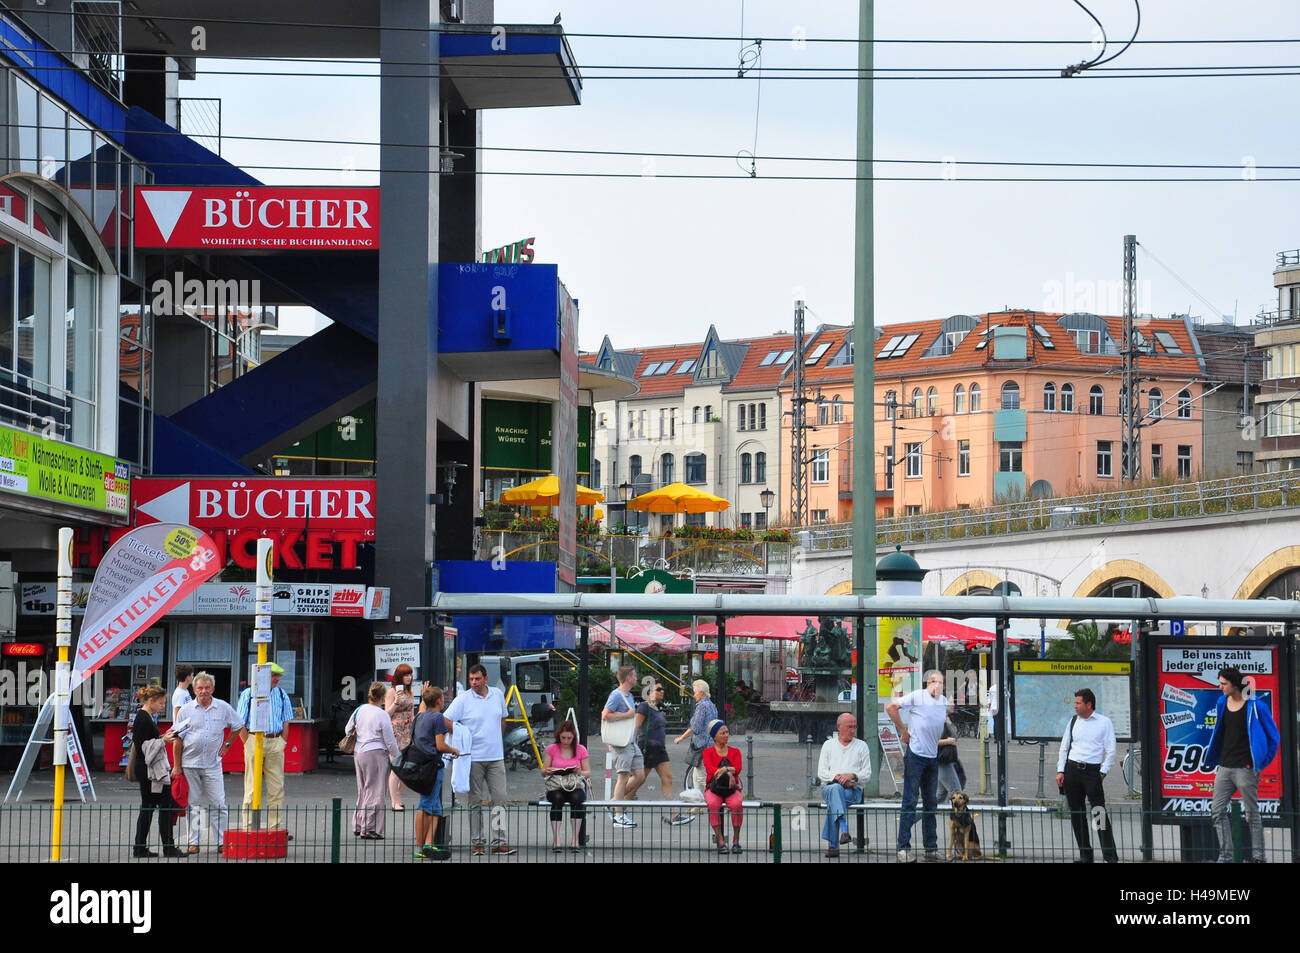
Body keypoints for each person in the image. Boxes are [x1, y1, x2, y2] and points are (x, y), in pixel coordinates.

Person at [1204, 667, 1280, 863]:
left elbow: (1274, 737)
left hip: (1245, 768)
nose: (1220, 687)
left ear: (1235, 685)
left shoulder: (1256, 706)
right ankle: (1226, 856)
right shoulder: (1222, 702)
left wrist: (1261, 763)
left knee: (1251, 815)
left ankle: (1258, 858)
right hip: (1224, 766)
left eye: (1224, 684)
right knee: (1217, 811)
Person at [444, 663, 517, 855]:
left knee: (500, 799)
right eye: (471, 679)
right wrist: (460, 736)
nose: (474, 682)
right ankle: (478, 842)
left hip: (495, 757)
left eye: (477, 679)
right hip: (473, 757)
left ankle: (499, 841)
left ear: (486, 679)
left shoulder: (497, 695)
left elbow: (503, 718)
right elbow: (446, 719)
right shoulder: (463, 699)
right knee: (474, 801)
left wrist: (496, 739)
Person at [171, 671, 244, 854]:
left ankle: (222, 841)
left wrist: (227, 744)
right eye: (200, 688)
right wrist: (177, 766)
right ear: (194, 690)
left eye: (207, 687)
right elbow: (177, 739)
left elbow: (238, 725)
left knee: (218, 803)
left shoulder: (223, 707)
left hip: (213, 763)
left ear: (212, 689)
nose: (204, 691)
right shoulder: (186, 710)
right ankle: (193, 842)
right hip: (190, 764)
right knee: (193, 804)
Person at [886, 670, 949, 862]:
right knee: (910, 801)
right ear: (926, 683)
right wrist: (903, 730)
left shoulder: (943, 701)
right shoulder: (917, 696)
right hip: (916, 755)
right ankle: (903, 848)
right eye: (932, 681)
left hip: (931, 756)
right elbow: (891, 707)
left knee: (931, 802)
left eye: (940, 682)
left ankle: (930, 848)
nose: (936, 685)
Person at [1054, 687, 1119, 863]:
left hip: (1092, 772)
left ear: (1089, 704)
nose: (1075, 706)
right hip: (1072, 770)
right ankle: (1085, 854)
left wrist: (1102, 772)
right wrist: (1061, 770)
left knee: (1098, 812)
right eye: (1075, 702)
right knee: (1077, 813)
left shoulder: (1104, 722)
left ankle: (1110, 856)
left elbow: (1111, 751)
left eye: (1078, 703)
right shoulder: (1073, 721)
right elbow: (1064, 746)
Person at [234, 662, 295, 832]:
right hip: (254, 739)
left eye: (278, 675)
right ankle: (248, 827)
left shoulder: (282, 695)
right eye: (273, 675)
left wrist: (282, 742)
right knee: (252, 786)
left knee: (277, 787)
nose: (277, 679)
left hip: (275, 740)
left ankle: (274, 828)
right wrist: (247, 742)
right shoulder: (248, 694)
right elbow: (240, 722)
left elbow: (286, 720)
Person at [133, 686, 184, 858]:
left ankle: (141, 847)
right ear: (151, 701)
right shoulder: (143, 719)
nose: (163, 706)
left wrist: (163, 737)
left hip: (149, 770)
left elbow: (146, 743)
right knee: (163, 805)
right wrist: (163, 740)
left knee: (149, 807)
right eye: (161, 703)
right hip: (151, 771)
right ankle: (167, 847)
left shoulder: (145, 717)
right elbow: (144, 748)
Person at [345, 681, 400, 839]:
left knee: (363, 789)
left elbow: (348, 729)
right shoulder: (382, 715)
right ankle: (369, 828)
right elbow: (389, 741)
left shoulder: (359, 710)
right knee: (376, 791)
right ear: (383, 697)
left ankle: (358, 823)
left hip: (359, 752)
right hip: (376, 753)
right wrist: (397, 756)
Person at [411, 684, 458, 861]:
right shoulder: (438, 718)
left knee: (436, 807)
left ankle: (429, 844)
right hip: (432, 764)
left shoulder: (420, 717)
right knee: (425, 804)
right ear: (439, 700)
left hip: (420, 764)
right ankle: (419, 847)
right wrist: (454, 750)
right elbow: (440, 745)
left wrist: (424, 694)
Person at [818, 712, 872, 858]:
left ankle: (834, 845)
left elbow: (867, 774)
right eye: (849, 727)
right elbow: (821, 772)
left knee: (835, 798)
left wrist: (852, 776)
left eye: (854, 727)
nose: (852, 731)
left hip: (852, 790)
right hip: (830, 787)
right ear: (839, 727)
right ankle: (843, 829)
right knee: (835, 790)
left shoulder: (862, 746)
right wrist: (837, 777)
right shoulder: (828, 745)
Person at [637, 682, 691, 825]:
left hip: (659, 749)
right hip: (648, 748)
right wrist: (632, 746)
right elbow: (635, 727)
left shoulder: (656, 708)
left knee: (668, 779)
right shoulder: (644, 707)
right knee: (639, 779)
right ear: (649, 693)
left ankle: (675, 814)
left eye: (663, 689)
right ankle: (618, 804)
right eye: (658, 689)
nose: (662, 691)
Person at [602, 665, 645, 828]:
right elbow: (605, 715)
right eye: (634, 675)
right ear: (628, 678)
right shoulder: (616, 695)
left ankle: (614, 801)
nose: (636, 678)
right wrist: (626, 715)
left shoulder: (629, 696)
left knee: (640, 775)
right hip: (621, 743)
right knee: (623, 776)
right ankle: (618, 815)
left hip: (631, 741)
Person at [542, 719, 591, 852]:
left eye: (569, 738)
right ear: (559, 736)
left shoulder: (580, 749)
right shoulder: (551, 749)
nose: (566, 741)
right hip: (556, 785)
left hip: (574, 783)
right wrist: (548, 770)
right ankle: (556, 838)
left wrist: (579, 771)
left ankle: (575, 838)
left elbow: (588, 773)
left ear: (574, 737)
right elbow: (543, 771)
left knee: (577, 798)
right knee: (557, 798)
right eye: (563, 737)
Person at [702, 720, 744, 853]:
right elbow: (711, 770)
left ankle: (736, 840)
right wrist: (729, 772)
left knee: (737, 804)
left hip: (731, 789)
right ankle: (720, 840)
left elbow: (737, 769)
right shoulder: (707, 752)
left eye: (727, 732)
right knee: (713, 804)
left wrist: (725, 770)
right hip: (713, 788)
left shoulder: (735, 751)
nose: (726, 735)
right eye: (723, 733)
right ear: (714, 736)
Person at [673, 678, 718, 797]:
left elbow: (695, 727)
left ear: (701, 693)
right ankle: (697, 805)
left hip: (702, 746)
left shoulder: (702, 707)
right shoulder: (712, 706)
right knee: (696, 776)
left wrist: (681, 738)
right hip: (711, 744)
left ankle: (718, 801)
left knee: (703, 777)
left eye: (695, 692)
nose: (694, 695)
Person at [385, 664, 416, 812]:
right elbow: (386, 714)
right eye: (406, 675)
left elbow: (412, 713)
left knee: (408, 768)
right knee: (397, 768)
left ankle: (398, 794)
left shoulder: (410, 692)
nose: (409, 677)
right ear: (399, 676)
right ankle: (395, 801)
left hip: (408, 732)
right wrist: (396, 702)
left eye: (410, 674)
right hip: (395, 733)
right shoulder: (391, 692)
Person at [936, 717, 967, 801]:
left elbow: (955, 736)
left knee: (941, 794)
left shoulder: (946, 718)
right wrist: (947, 741)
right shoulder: (936, 718)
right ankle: (958, 814)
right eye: (951, 703)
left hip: (948, 758)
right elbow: (930, 741)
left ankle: (927, 812)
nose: (953, 704)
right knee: (956, 792)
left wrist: (949, 723)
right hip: (942, 759)